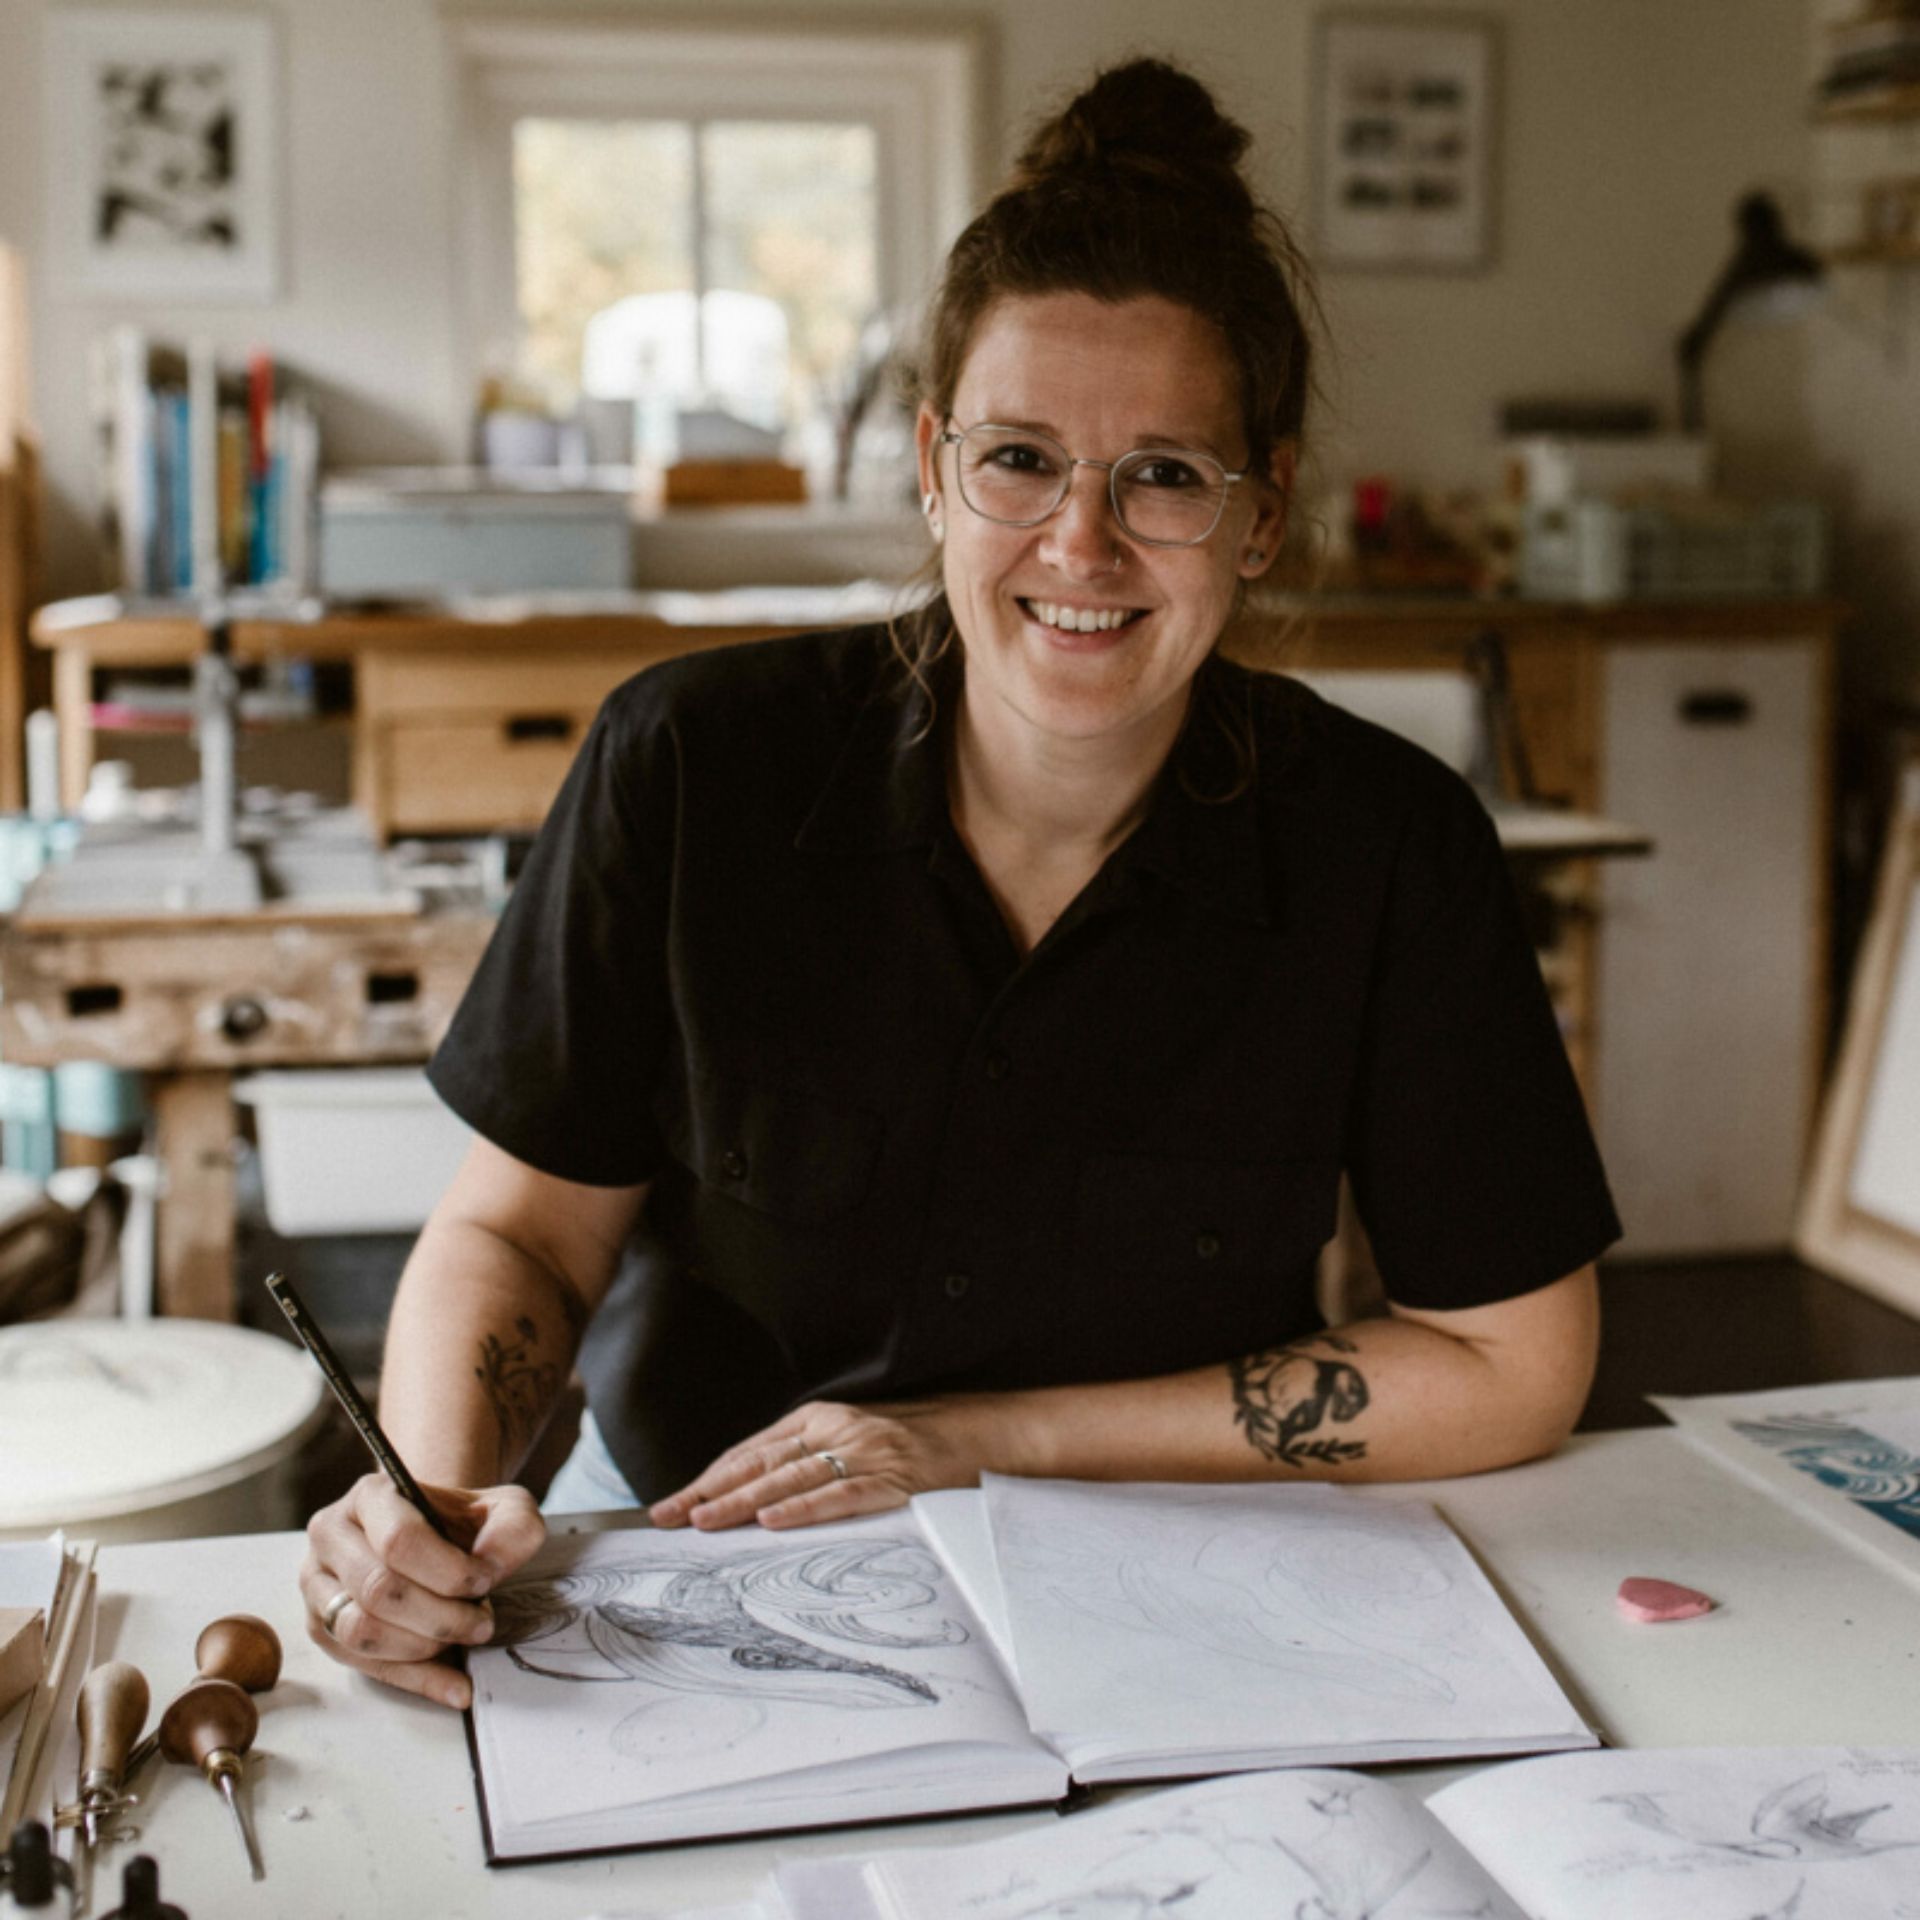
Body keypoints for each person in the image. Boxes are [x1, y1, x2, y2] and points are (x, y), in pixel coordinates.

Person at [301, 58, 1618, 1711]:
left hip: (1177, 1573)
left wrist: (965, 1448)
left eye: (1164, 476)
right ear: (933, 466)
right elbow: (521, 1232)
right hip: (693, 1579)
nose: (1081, 545)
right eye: (1018, 460)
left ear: (1261, 514)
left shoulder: (1390, 844)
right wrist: (425, 1493)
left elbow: (1516, 1361)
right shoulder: (693, 764)